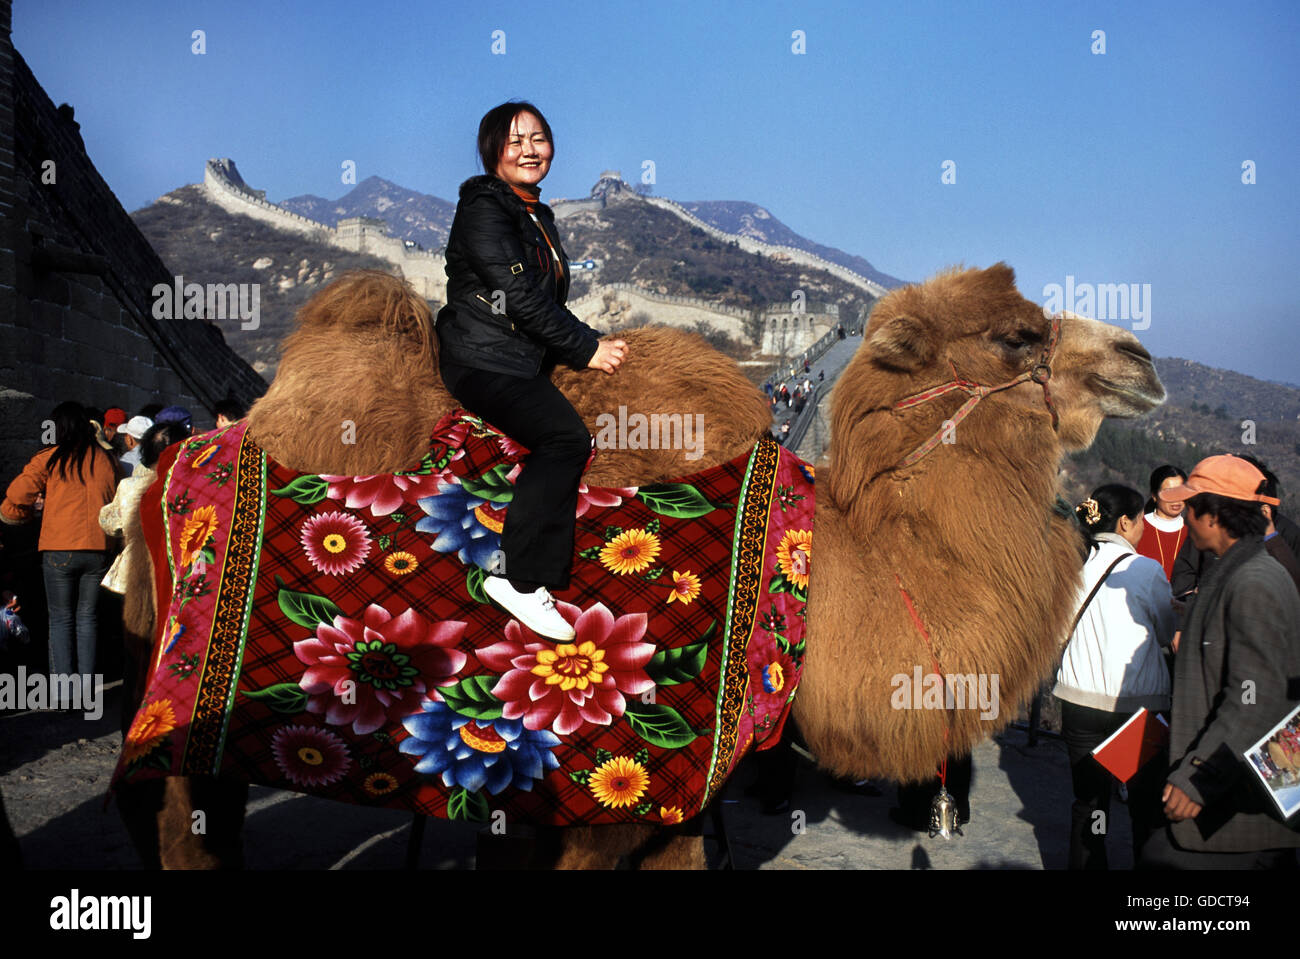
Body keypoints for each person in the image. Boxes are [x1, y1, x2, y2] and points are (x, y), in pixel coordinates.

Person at [434, 100, 627, 642]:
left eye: (538, 138)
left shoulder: (532, 212)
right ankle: (518, 581)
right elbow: (515, 294)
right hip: (482, 359)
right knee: (566, 440)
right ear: (493, 150)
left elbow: (538, 300)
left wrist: (581, 345)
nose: (528, 149)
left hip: (515, 356)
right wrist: (585, 347)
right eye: (515, 140)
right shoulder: (484, 208)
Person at [1140, 455, 1300, 869]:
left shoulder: (1254, 582)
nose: (1185, 517)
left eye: (1191, 506)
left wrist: (1197, 777)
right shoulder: (1232, 573)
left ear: (1214, 514)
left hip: (1236, 819)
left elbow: (1256, 699)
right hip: (1222, 813)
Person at [1053, 485, 1175, 868]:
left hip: (1079, 703)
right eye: (1140, 520)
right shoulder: (1146, 569)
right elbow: (1165, 631)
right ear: (1126, 522)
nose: (1141, 527)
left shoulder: (1073, 566)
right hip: (1136, 709)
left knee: (1090, 805)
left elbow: (1057, 632)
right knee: (1144, 806)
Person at [1, 401, 118, 675]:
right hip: (99, 549)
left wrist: (27, 515)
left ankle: (65, 693)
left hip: (59, 548)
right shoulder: (106, 459)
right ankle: (86, 689)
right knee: (88, 618)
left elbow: (16, 496)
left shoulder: (50, 458)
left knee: (61, 619)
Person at [1136, 465, 1187, 581]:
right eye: (1168, 492)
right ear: (1154, 496)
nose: (1176, 498)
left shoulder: (1195, 532)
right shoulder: (1138, 528)